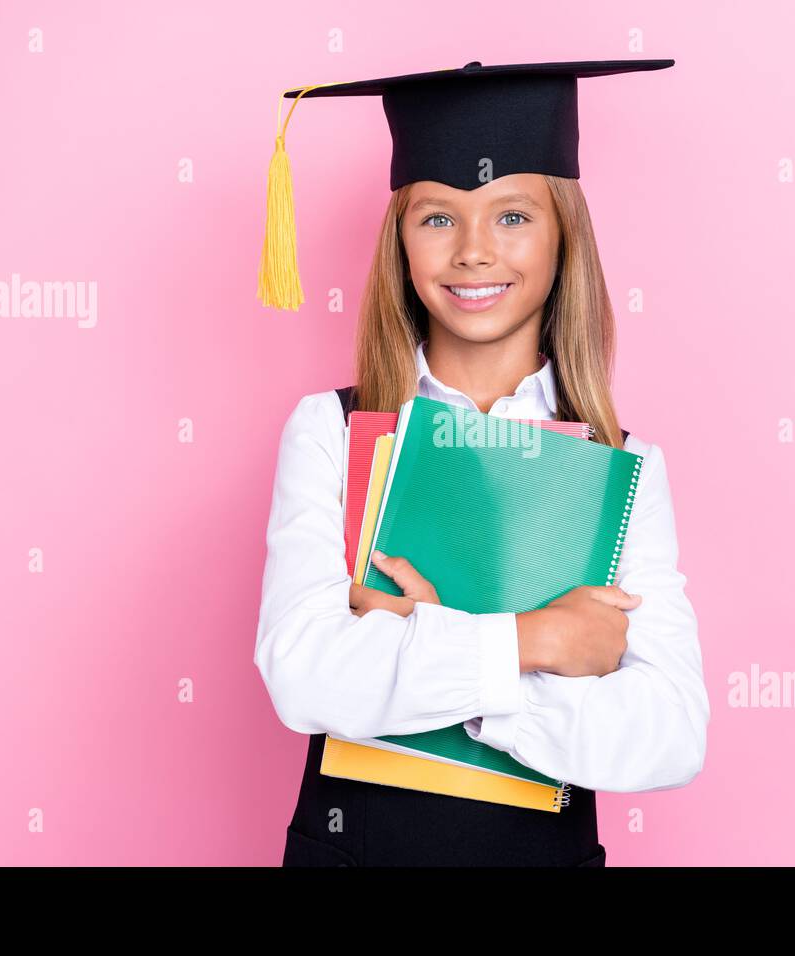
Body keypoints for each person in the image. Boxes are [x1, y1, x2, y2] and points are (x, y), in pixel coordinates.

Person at [253, 59, 709, 867]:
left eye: (511, 217)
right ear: (400, 238)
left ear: (564, 233)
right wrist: (537, 642)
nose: (472, 252)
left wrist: (427, 648)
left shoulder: (623, 465)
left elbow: (669, 734)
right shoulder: (331, 430)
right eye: (436, 218)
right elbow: (305, 677)